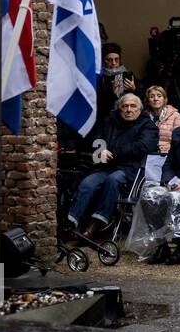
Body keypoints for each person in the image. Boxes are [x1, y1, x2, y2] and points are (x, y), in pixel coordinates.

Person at [65, 93, 158, 243]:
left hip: (130, 169)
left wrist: (114, 151)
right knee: (87, 183)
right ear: (119, 108)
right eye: (125, 106)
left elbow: (143, 146)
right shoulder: (110, 120)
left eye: (133, 106)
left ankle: (93, 226)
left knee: (113, 181)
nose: (128, 109)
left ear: (140, 109)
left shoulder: (148, 126)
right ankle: (71, 224)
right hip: (105, 166)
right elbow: (95, 137)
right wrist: (100, 149)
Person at [144, 85, 180, 155]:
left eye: (159, 96)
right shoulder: (143, 117)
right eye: (151, 96)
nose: (155, 99)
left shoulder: (175, 116)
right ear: (147, 101)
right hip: (147, 155)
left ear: (164, 99)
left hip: (168, 155)